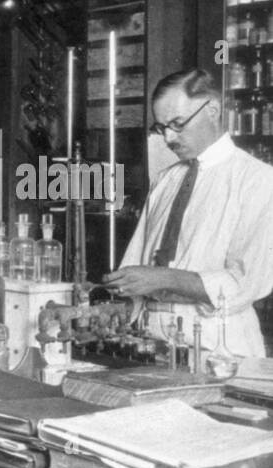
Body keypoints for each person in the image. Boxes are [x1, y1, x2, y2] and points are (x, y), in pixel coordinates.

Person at [106, 68, 273, 358]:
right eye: (161, 127)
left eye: (178, 124)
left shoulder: (257, 180)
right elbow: (137, 267)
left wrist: (164, 278)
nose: (169, 137)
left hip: (220, 347)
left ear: (212, 110)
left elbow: (245, 282)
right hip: (153, 344)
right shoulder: (165, 180)